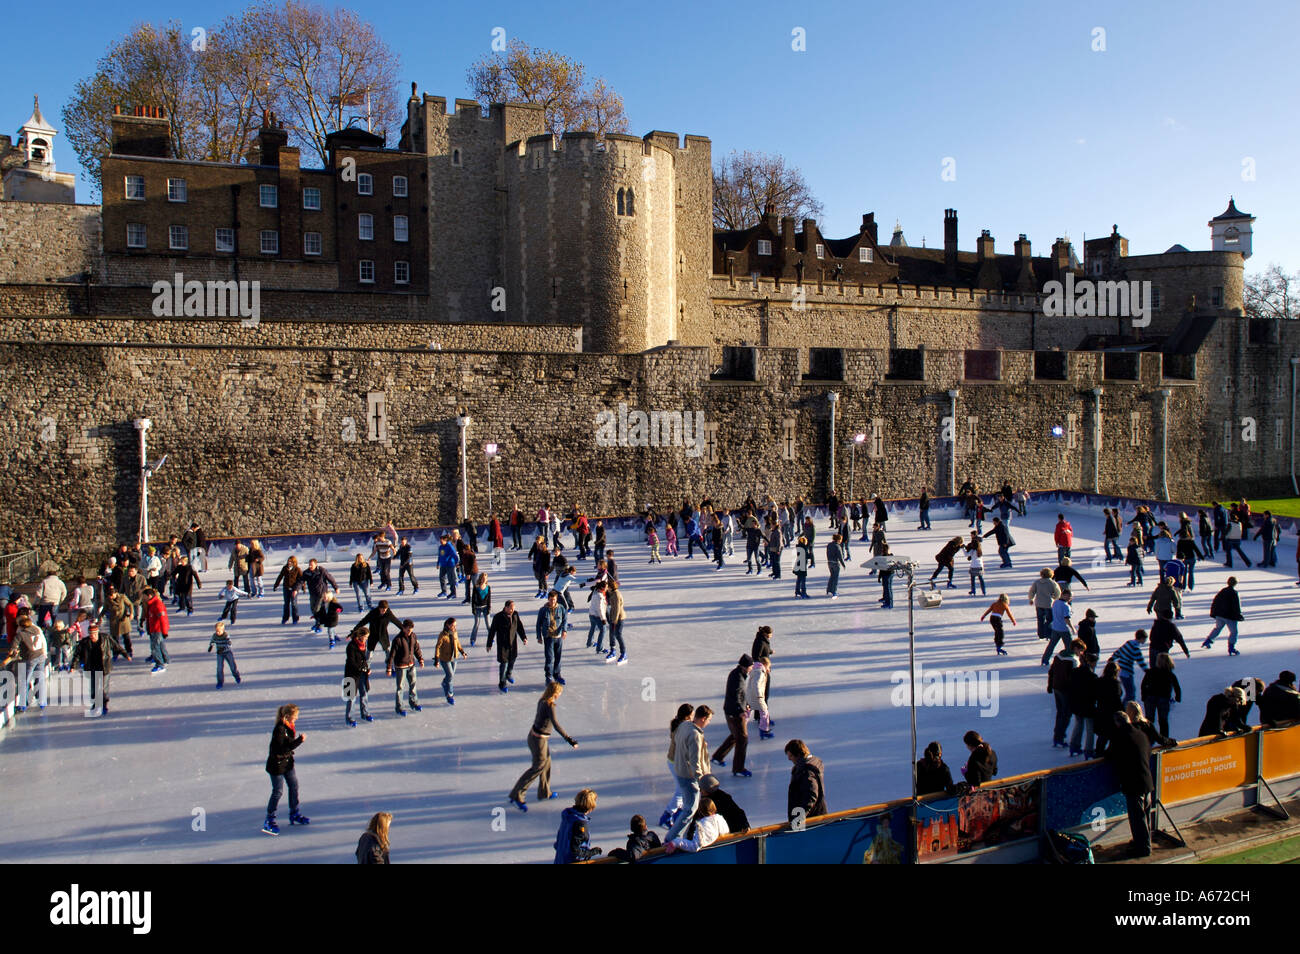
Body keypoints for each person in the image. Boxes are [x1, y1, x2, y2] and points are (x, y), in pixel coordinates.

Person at [509, 682, 579, 812]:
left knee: (546, 764)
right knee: (537, 768)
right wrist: (569, 740)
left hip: (536, 737)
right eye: (559, 693)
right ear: (554, 693)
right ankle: (517, 795)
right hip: (538, 740)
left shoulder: (542, 700)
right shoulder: (549, 705)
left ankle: (544, 792)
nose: (560, 695)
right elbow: (556, 724)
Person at [1105, 711, 1154, 857]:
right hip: (1147, 780)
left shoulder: (1119, 737)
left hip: (1133, 783)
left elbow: (1109, 755)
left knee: (1137, 817)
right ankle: (1144, 842)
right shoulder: (1141, 734)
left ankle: (1143, 847)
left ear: (1117, 723)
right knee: (1145, 815)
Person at [666, 705, 713, 841]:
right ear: (703, 719)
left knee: (689, 805)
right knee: (690, 809)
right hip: (688, 776)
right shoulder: (695, 735)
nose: (709, 722)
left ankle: (681, 835)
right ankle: (671, 838)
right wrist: (702, 781)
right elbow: (695, 762)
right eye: (709, 719)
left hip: (680, 769)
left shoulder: (685, 725)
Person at [263, 703, 309, 835]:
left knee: (294, 786)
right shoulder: (280, 730)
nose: (297, 719)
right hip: (276, 765)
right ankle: (269, 819)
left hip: (287, 763)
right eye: (295, 717)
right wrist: (300, 740)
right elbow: (282, 748)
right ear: (287, 716)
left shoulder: (289, 726)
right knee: (277, 791)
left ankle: (294, 812)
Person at [69, 621, 126, 715]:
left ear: (97, 633)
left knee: (103, 688)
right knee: (93, 688)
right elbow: (77, 655)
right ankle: (95, 704)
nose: (92, 636)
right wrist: (73, 666)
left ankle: (104, 705)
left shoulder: (105, 638)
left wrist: (125, 654)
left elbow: (116, 646)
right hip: (91, 667)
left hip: (104, 667)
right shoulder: (84, 642)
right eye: (91, 634)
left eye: (94, 634)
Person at [712, 655, 754, 778]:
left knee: (736, 735)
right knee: (743, 739)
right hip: (734, 714)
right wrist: (740, 710)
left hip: (730, 711)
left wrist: (745, 705)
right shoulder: (738, 679)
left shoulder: (737, 674)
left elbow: (740, 695)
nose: (752, 668)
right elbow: (736, 696)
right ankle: (738, 768)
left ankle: (718, 756)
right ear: (745, 667)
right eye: (750, 666)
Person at [664, 797, 730, 854]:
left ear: (700, 811)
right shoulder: (720, 819)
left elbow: (695, 846)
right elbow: (726, 834)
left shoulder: (703, 825)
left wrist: (676, 842)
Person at [1047, 641, 1082, 748]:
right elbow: (1075, 679)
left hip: (1056, 687)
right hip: (1066, 690)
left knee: (1060, 712)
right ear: (1075, 648)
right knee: (1066, 714)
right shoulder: (1074, 661)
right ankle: (1060, 737)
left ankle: (1057, 734)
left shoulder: (1059, 656)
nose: (1080, 653)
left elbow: (1051, 671)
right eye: (1080, 650)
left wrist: (1050, 685)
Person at [385, 619, 424, 715]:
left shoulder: (413, 636)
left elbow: (416, 648)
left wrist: (420, 659)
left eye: (411, 630)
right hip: (401, 666)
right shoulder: (397, 639)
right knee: (400, 688)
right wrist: (389, 668)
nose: (410, 632)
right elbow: (392, 655)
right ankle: (399, 707)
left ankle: (414, 702)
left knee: (413, 684)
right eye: (408, 630)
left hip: (411, 664)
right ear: (403, 628)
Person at [553, 789, 601, 864]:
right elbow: (575, 851)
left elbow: (558, 843)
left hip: (560, 860)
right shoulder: (580, 823)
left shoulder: (568, 817)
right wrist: (592, 852)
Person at [1140, 653, 1181, 738]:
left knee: (1149, 719)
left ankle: (1147, 739)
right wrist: (1178, 697)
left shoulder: (1150, 671)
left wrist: (1143, 696)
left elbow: (1143, 684)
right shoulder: (1170, 674)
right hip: (1164, 698)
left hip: (1150, 697)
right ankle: (1164, 739)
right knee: (1163, 721)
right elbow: (1177, 686)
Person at [786, 739, 827, 823]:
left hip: (810, 819)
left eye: (791, 756)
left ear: (798, 754)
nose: (789, 759)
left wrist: (798, 818)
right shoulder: (812, 764)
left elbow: (811, 795)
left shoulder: (806, 771)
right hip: (816, 814)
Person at [1203, 577, 1245, 656]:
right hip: (1230, 617)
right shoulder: (1234, 593)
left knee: (1218, 628)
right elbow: (1236, 606)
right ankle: (1231, 647)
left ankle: (1208, 641)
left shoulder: (1222, 591)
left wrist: (1213, 612)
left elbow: (1215, 602)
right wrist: (1239, 615)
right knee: (1234, 632)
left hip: (1220, 615)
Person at [1068, 654, 1099, 757]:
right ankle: (1088, 750)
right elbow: (1095, 692)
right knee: (1090, 728)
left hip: (1076, 703)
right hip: (1088, 705)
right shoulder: (1092, 676)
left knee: (1078, 723)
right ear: (1090, 662)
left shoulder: (1075, 672)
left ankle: (1074, 746)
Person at [433, 617, 468, 705]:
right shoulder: (442, 635)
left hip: (454, 658)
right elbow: (438, 647)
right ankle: (450, 695)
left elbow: (458, 643)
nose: (454, 627)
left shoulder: (455, 633)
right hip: (445, 659)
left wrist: (462, 652)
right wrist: (436, 659)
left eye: (455, 625)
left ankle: (445, 683)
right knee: (450, 675)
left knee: (451, 677)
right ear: (448, 625)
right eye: (453, 625)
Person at [1109, 629, 1149, 704]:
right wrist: (1147, 671)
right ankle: (1125, 709)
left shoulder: (1129, 643)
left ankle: (1125, 708)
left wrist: (1112, 658)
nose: (1145, 641)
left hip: (1120, 670)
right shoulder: (1135, 648)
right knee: (1131, 693)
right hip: (1126, 672)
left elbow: (1119, 651)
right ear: (1141, 638)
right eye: (1145, 639)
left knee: (1131, 691)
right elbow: (1141, 662)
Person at [344, 626, 372, 725]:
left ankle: (365, 713)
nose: (367, 639)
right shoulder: (351, 646)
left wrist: (367, 669)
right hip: (351, 674)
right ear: (360, 636)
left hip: (362, 674)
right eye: (366, 637)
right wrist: (361, 668)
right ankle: (349, 718)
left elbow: (364, 660)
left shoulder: (364, 644)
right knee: (351, 697)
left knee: (364, 693)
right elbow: (351, 661)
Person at [1041, 588, 1075, 666]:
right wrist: (1072, 628)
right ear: (1064, 595)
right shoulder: (1066, 606)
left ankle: (1045, 660)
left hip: (1055, 628)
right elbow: (1066, 619)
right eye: (1069, 596)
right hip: (1064, 629)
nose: (1070, 598)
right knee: (1069, 647)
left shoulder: (1055, 602)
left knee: (1051, 645)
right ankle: (1069, 661)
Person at [207, 621, 241, 689]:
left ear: (223, 630)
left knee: (232, 666)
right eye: (216, 631)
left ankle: (236, 676)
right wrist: (211, 646)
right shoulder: (215, 636)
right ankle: (220, 682)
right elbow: (212, 641)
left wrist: (223, 649)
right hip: (219, 654)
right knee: (219, 668)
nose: (217, 632)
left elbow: (229, 644)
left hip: (227, 653)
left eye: (219, 631)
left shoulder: (226, 636)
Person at [143, 587, 170, 674]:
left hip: (157, 630)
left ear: (149, 596)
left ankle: (160, 665)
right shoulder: (151, 603)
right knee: (160, 645)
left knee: (155, 647)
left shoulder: (157, 604)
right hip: (153, 629)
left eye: (144, 596)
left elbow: (163, 619)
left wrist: (165, 631)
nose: (143, 598)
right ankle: (165, 659)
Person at [746, 655, 773, 739]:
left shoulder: (755, 670)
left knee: (747, 712)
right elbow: (756, 684)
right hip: (757, 696)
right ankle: (764, 730)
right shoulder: (760, 672)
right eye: (768, 666)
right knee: (764, 712)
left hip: (750, 695)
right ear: (765, 664)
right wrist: (759, 695)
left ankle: (740, 727)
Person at [272, 556, 303, 624]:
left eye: (291, 561)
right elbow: (280, 576)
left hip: (294, 589)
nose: (289, 563)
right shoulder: (285, 568)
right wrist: (276, 585)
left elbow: (301, 579)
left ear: (294, 562)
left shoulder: (297, 569)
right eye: (288, 561)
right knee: (286, 604)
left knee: (294, 604)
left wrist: (303, 588)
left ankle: (295, 619)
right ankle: (285, 618)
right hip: (286, 588)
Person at [605, 579, 627, 664]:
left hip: (619, 618)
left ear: (610, 587)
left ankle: (623, 653)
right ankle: (613, 650)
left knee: (618, 634)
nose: (607, 588)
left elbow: (617, 608)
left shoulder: (616, 595)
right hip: (613, 617)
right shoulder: (612, 593)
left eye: (607, 586)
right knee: (611, 634)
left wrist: (614, 620)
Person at [468, 572, 491, 647]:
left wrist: (489, 609)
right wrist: (473, 608)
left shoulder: (488, 587)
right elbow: (473, 599)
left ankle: (491, 638)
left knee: (488, 625)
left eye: (485, 578)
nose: (484, 580)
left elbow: (489, 599)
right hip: (477, 608)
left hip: (485, 608)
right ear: (480, 579)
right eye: (483, 578)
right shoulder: (476, 587)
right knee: (476, 624)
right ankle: (472, 639)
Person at [825, 533, 846, 598]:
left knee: (832, 576)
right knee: (835, 578)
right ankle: (834, 591)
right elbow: (840, 556)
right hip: (835, 563)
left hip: (829, 562)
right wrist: (843, 564)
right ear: (838, 539)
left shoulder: (829, 545)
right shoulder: (837, 546)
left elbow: (827, 553)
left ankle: (829, 590)